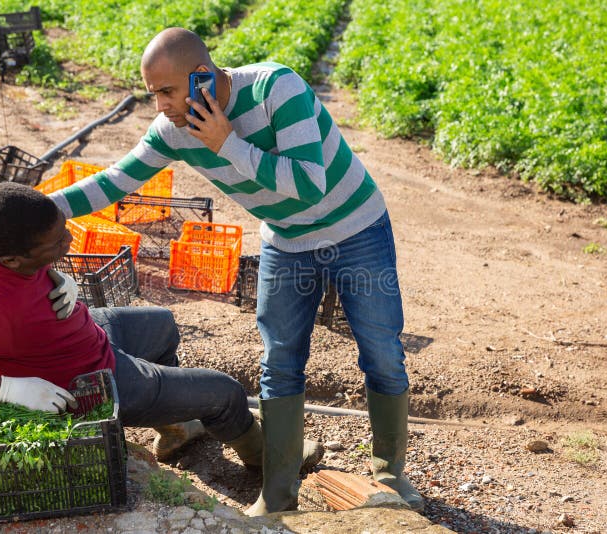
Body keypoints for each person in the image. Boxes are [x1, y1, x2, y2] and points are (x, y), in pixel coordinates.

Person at [46, 27, 424, 515]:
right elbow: (115, 181)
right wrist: (35, 210)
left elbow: (308, 184)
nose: (160, 105)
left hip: (357, 228)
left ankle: (391, 473)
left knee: (382, 353)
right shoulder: (174, 129)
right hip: (287, 241)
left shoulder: (276, 90)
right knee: (280, 361)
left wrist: (227, 143)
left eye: (166, 91)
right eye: (152, 93)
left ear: (202, 76)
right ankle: (279, 491)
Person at [0, 182, 323, 473]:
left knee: (164, 325)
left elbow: (6, 222)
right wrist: (6, 388)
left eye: (63, 232)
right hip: (89, 376)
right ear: (12, 260)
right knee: (225, 392)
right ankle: (269, 461)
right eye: (55, 245)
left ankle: (176, 428)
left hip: (83, 331)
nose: (68, 243)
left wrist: (53, 271)